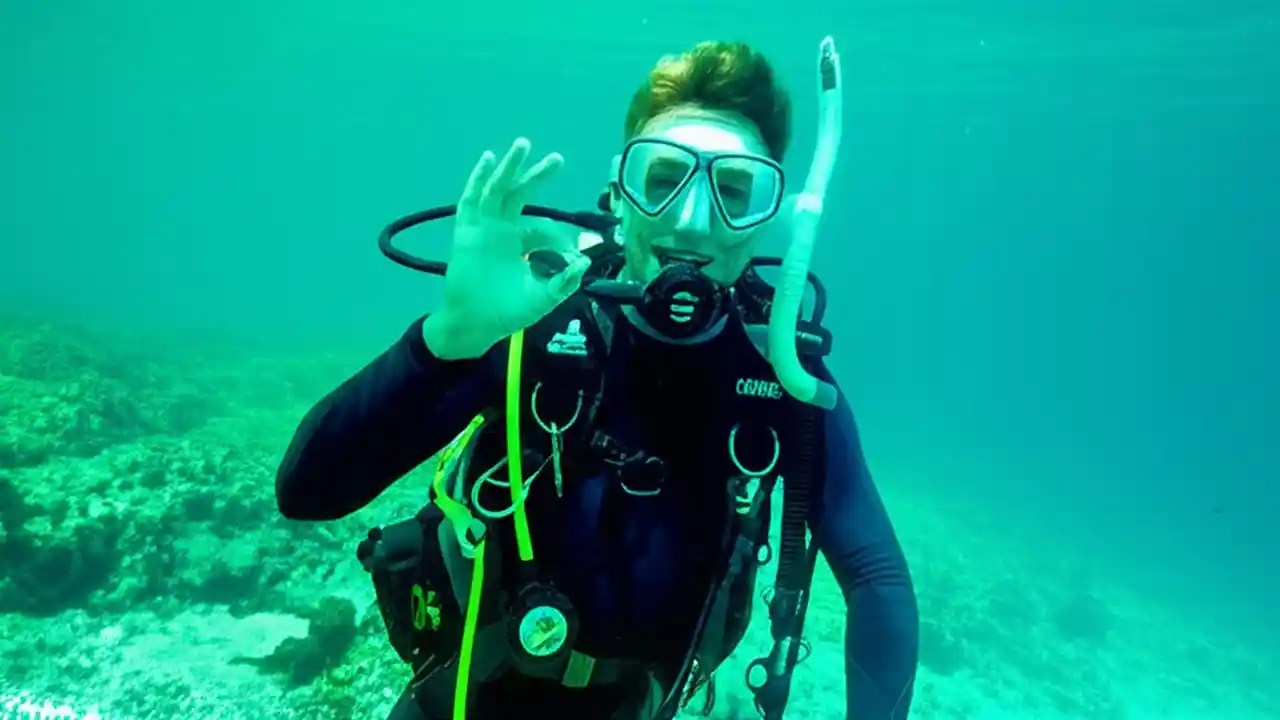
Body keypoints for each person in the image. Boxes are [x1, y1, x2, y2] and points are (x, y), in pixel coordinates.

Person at [276, 37, 918, 720]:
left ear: (770, 216)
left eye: (735, 190)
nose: (695, 221)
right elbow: (309, 490)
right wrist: (449, 340)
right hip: (464, 696)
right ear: (619, 191)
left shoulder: (784, 377)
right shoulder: (537, 322)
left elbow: (877, 582)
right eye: (662, 178)